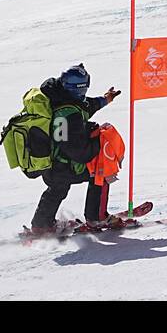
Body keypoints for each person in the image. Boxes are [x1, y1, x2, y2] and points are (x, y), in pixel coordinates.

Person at [30, 64, 121, 233]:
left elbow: (86, 106)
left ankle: (41, 225)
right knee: (101, 173)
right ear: (80, 89)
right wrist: (98, 144)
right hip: (64, 166)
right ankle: (97, 218)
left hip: (51, 164)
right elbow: (77, 151)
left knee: (57, 189)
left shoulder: (59, 98)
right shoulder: (68, 115)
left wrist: (105, 99)